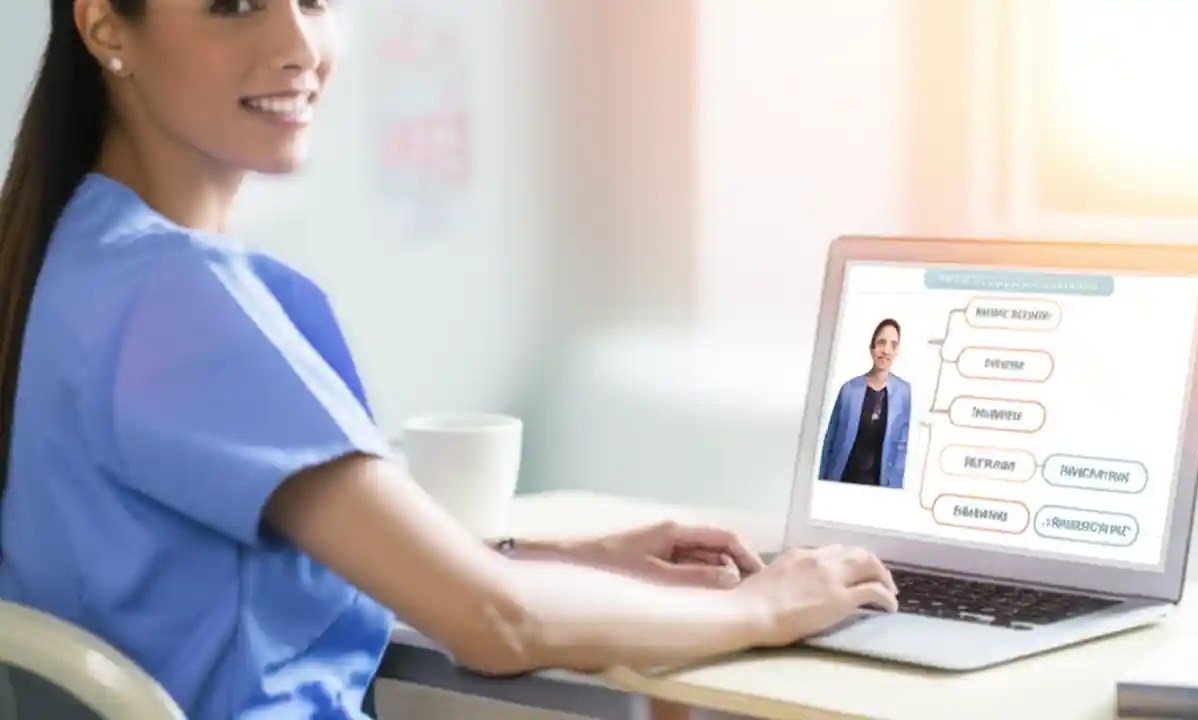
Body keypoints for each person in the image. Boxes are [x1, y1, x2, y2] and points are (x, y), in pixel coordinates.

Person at [0, 2, 899, 718]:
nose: (297, 45)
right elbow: (495, 624)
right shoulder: (183, 297)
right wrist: (767, 606)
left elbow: (208, 570)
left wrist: (557, 555)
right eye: (234, 5)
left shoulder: (69, 256)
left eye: (314, 0)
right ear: (106, 28)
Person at [818, 319, 913, 488]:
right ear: (872, 348)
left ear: (897, 351)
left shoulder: (903, 393)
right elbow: (830, 440)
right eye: (881, 343)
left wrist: (894, 490)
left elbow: (901, 448)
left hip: (878, 486)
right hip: (842, 479)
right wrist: (822, 484)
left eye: (893, 345)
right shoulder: (849, 390)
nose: (886, 350)